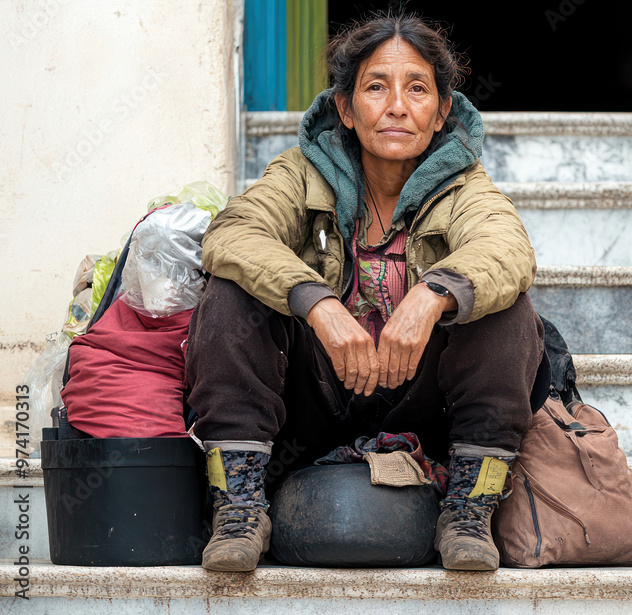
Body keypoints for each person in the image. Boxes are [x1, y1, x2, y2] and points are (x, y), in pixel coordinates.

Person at [186, 13, 548, 573]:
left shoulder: (464, 186)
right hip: (312, 401)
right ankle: (237, 503)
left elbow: (506, 250)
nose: (397, 106)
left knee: (506, 310)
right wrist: (317, 301)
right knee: (232, 293)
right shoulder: (300, 174)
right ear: (346, 110)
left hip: (424, 404)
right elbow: (234, 233)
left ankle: (471, 506)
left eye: (418, 89)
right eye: (376, 87)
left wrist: (432, 296)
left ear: (442, 111)